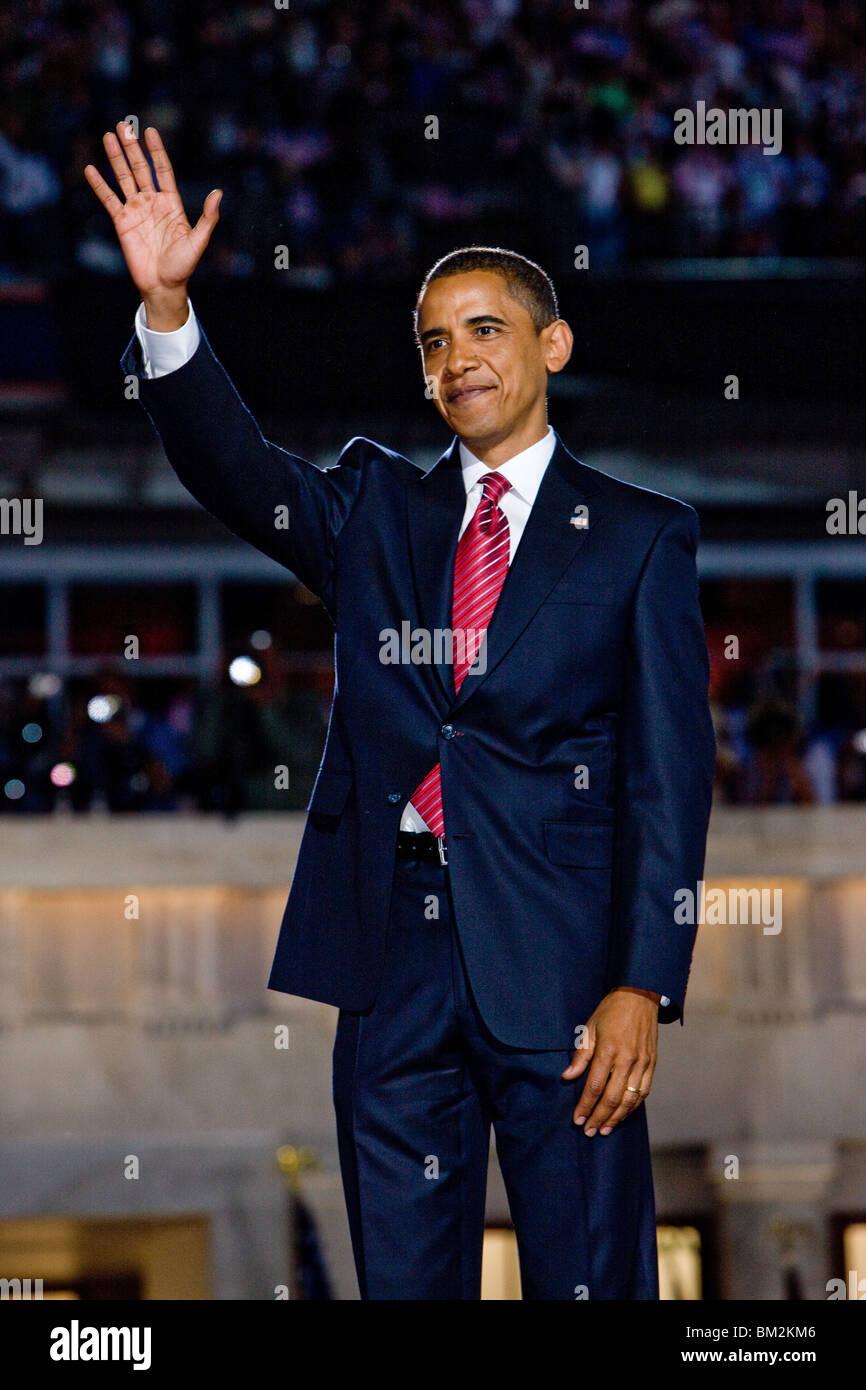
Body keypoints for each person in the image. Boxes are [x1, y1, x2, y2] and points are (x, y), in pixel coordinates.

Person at [85, 122, 716, 1300]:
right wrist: (167, 311)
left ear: (552, 343)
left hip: (565, 967)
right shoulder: (375, 507)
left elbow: (668, 782)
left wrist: (641, 981)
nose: (457, 358)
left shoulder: (640, 536)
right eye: (434, 341)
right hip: (391, 960)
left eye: (485, 328)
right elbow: (237, 471)